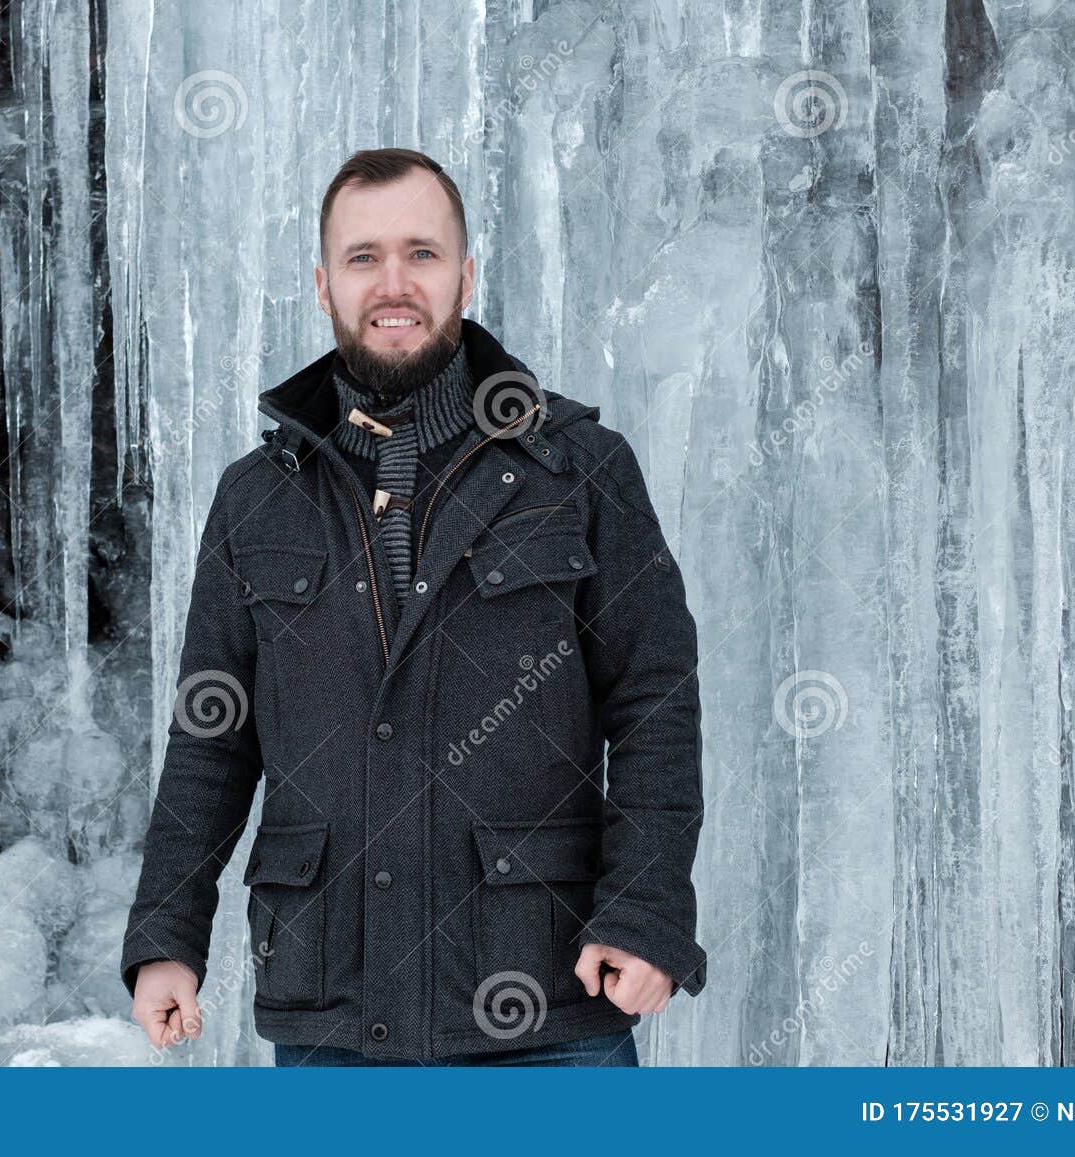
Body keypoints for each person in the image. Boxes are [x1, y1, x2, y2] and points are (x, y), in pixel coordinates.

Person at [120, 147, 706, 1065]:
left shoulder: (581, 468)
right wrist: (165, 935)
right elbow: (212, 735)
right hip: (333, 1018)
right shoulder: (255, 497)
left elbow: (655, 703)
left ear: (466, 274)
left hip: (546, 1002)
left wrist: (646, 908)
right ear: (323, 285)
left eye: (422, 254)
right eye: (363, 258)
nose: (394, 284)